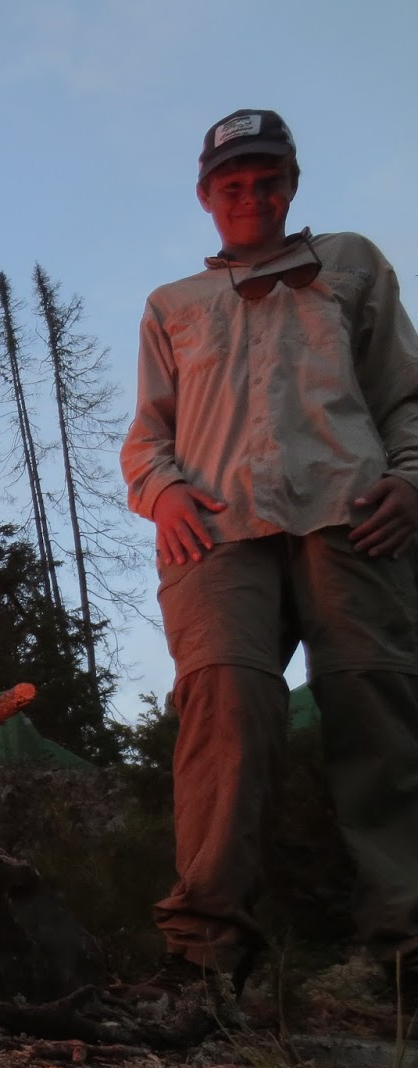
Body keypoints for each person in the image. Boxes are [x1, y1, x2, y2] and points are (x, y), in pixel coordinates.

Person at [120, 109, 418, 999]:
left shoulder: (351, 265)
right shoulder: (175, 306)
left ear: (292, 184)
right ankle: (206, 950)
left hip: (354, 515)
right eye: (234, 183)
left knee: (377, 708)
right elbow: (148, 438)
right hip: (217, 534)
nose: (253, 195)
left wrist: (412, 480)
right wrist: (165, 493)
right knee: (225, 707)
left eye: (268, 179)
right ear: (208, 196)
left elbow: (404, 396)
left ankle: (405, 943)